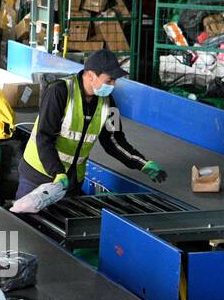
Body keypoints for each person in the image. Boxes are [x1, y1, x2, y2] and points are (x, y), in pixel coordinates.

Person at [16, 48, 167, 200]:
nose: (113, 85)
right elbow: (44, 137)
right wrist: (57, 171)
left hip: (71, 181)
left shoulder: (109, 103)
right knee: (26, 220)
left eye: (114, 81)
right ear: (90, 75)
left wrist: (142, 163)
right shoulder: (59, 92)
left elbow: (114, 141)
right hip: (38, 176)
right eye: (109, 80)